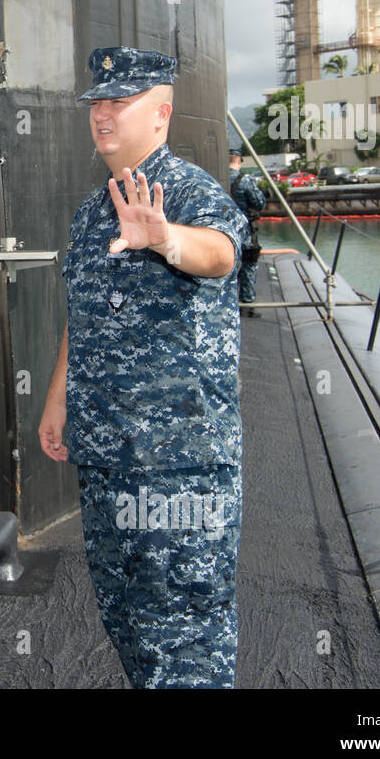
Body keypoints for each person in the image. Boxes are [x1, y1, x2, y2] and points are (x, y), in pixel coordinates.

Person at [37, 47, 248, 689]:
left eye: (118, 102)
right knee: (128, 619)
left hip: (176, 463)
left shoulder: (185, 190)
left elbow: (221, 254)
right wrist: (57, 400)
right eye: (96, 103)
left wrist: (164, 239)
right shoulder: (91, 212)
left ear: (160, 113)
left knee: (184, 634)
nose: (102, 115)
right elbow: (86, 315)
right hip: (110, 455)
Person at [228, 145, 266, 315]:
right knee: (248, 267)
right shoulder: (244, 180)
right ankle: (247, 304)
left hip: (219, 231)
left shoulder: (212, 178)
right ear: (238, 161)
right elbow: (259, 203)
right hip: (243, 232)